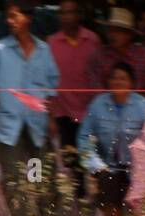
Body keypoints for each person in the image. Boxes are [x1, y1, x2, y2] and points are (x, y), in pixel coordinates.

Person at [0, 1, 60, 216]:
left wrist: (50, 119)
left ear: (27, 18)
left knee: (39, 173)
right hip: (7, 124)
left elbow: (51, 87)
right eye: (8, 17)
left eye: (15, 16)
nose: (10, 21)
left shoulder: (43, 50)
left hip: (36, 124)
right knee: (13, 176)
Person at [78, 62, 145, 216]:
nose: (118, 82)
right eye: (114, 78)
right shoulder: (98, 104)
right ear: (109, 82)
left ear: (131, 83)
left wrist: (143, 164)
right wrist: (95, 165)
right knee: (107, 182)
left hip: (137, 168)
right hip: (107, 166)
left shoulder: (144, 106)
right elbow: (84, 138)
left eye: (123, 78)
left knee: (138, 206)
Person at [48, 0, 102, 203]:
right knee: (70, 160)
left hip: (89, 111)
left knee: (91, 159)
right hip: (63, 111)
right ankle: (79, 204)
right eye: (63, 13)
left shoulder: (92, 40)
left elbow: (99, 75)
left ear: (79, 14)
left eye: (71, 12)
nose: (67, 17)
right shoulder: (51, 42)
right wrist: (51, 115)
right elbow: (48, 81)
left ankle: (97, 202)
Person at [86, 7, 145, 100]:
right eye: (111, 30)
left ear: (129, 34)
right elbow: (94, 89)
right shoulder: (99, 56)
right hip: (105, 110)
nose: (112, 35)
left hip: (138, 111)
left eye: (118, 31)